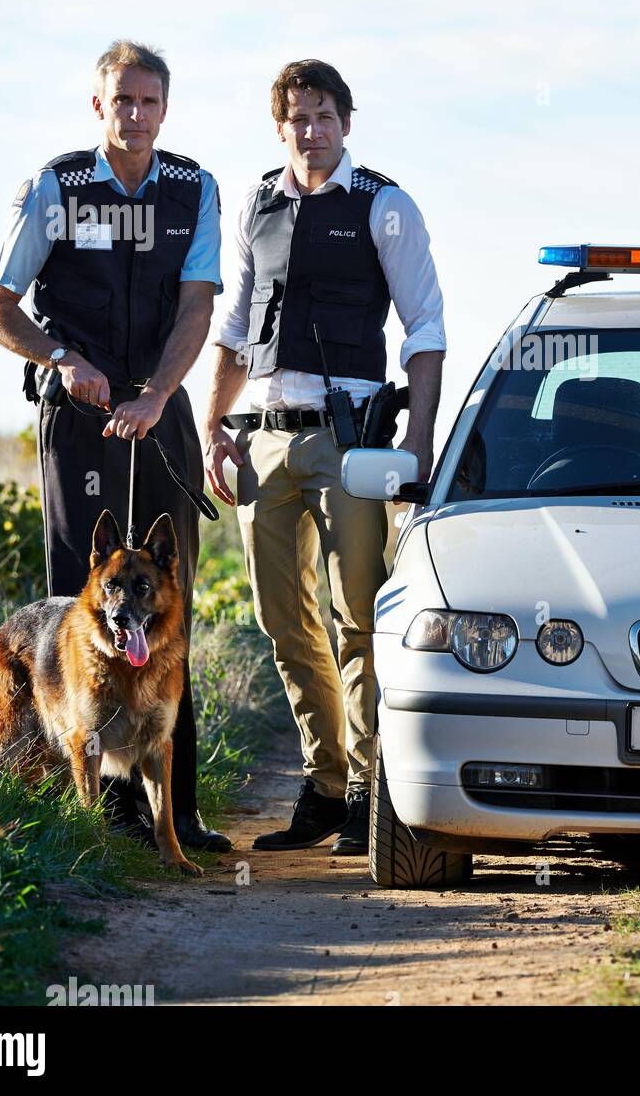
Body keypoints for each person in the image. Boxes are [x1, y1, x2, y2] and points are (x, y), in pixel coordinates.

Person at [0, 38, 230, 854]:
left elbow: (197, 305)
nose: (135, 115)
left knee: (166, 607)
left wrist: (159, 390)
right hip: (76, 416)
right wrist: (62, 360)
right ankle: (98, 820)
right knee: (83, 604)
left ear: (165, 107)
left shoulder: (195, 188)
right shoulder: (55, 187)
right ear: (98, 106)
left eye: (148, 102)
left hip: (162, 413)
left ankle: (175, 816)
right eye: (121, 100)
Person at [201, 58, 445, 855]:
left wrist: (419, 440)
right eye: (296, 117)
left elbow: (426, 328)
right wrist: (215, 427)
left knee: (361, 614)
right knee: (282, 618)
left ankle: (373, 791)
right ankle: (324, 784)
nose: (310, 130)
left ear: (347, 120)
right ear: (280, 126)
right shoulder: (256, 204)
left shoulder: (385, 205)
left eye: (323, 115)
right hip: (263, 434)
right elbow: (233, 329)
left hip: (353, 439)